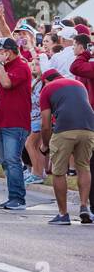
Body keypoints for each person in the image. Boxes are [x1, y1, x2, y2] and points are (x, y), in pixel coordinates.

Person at [0, 36, 32, 211]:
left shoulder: (22, 67)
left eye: (0, 51)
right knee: (4, 161)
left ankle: (18, 198)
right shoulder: (0, 65)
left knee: (12, 160)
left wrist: (0, 65)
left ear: (8, 52)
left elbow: (7, 83)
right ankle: (12, 197)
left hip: (15, 123)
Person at [38, 69, 94, 225]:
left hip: (64, 129)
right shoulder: (78, 85)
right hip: (89, 128)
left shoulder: (47, 89)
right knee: (84, 167)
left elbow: (45, 124)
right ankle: (84, 207)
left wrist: (45, 144)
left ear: (46, 81)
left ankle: (63, 214)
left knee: (59, 171)